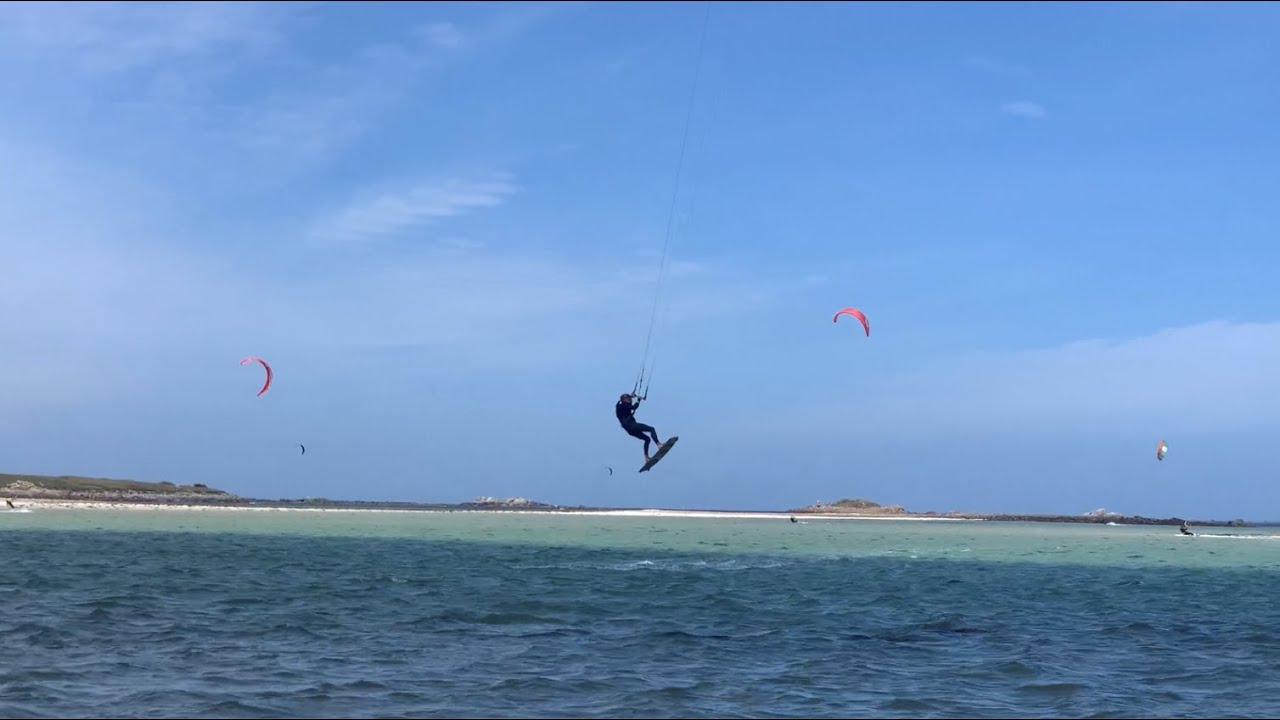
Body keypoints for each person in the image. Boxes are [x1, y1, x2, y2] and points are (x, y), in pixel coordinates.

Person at [616, 393, 664, 462]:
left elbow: (628, 405)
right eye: (628, 399)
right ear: (624, 399)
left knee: (647, 439)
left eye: (629, 398)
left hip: (629, 430)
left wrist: (632, 397)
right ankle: (659, 445)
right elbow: (633, 407)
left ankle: (646, 458)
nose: (629, 399)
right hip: (631, 425)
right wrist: (638, 400)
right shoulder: (622, 405)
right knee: (651, 429)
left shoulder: (622, 406)